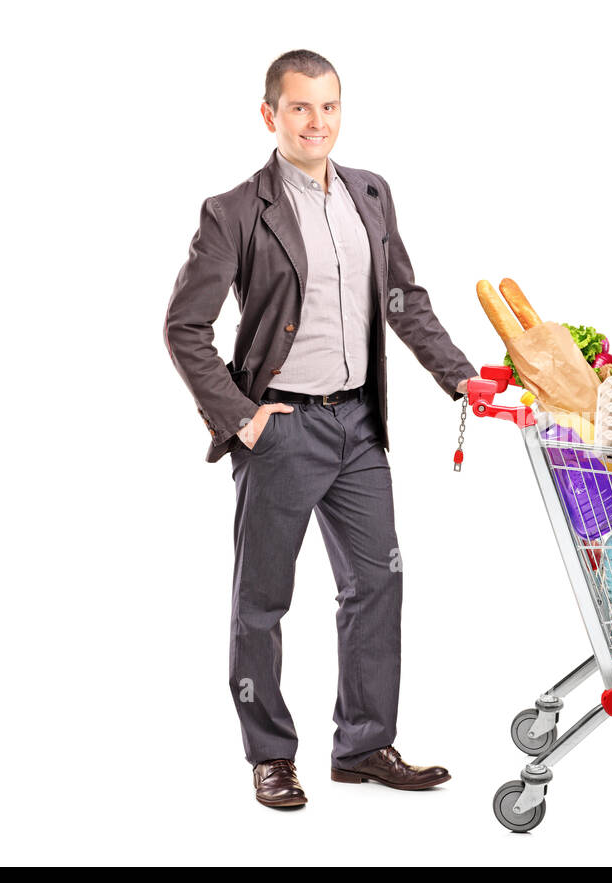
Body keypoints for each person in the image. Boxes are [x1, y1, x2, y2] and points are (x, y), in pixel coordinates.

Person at [163, 49, 478, 809]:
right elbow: (184, 327)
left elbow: (403, 301)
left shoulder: (371, 192)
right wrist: (242, 420)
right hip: (282, 431)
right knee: (261, 602)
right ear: (270, 115)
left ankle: (365, 745)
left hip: (360, 427)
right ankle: (270, 756)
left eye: (330, 107)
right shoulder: (235, 210)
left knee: (377, 582)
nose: (317, 122)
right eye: (300, 107)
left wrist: (462, 377)